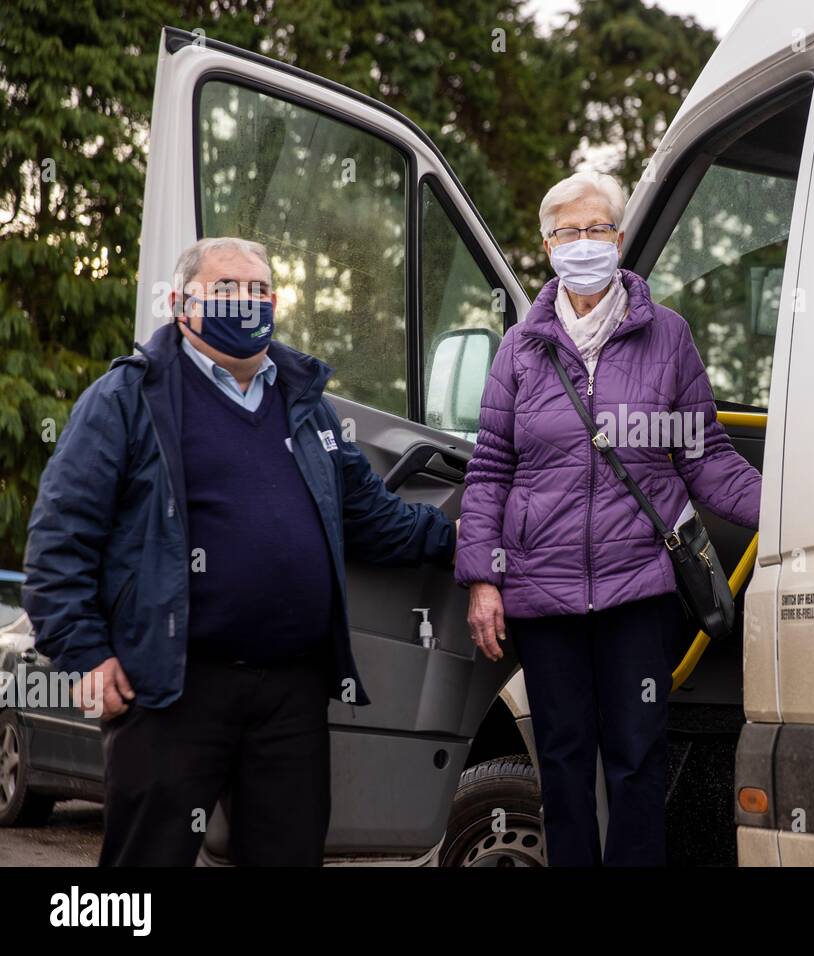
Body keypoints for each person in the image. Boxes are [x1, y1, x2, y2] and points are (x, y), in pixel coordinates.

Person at [22, 236, 457, 866]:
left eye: (261, 289)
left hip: (291, 692)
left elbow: (371, 516)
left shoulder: (306, 404)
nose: (248, 301)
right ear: (180, 303)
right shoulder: (128, 398)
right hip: (170, 685)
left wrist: (467, 542)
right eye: (228, 288)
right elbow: (61, 536)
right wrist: (84, 651)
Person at [454, 171, 761, 866]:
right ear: (547, 245)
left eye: (598, 229)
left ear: (619, 239)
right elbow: (490, 470)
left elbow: (706, 456)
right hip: (544, 594)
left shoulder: (668, 337)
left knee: (636, 763)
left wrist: (786, 503)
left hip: (640, 592)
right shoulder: (518, 350)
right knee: (561, 766)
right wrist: (483, 579)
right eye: (569, 231)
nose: (584, 243)